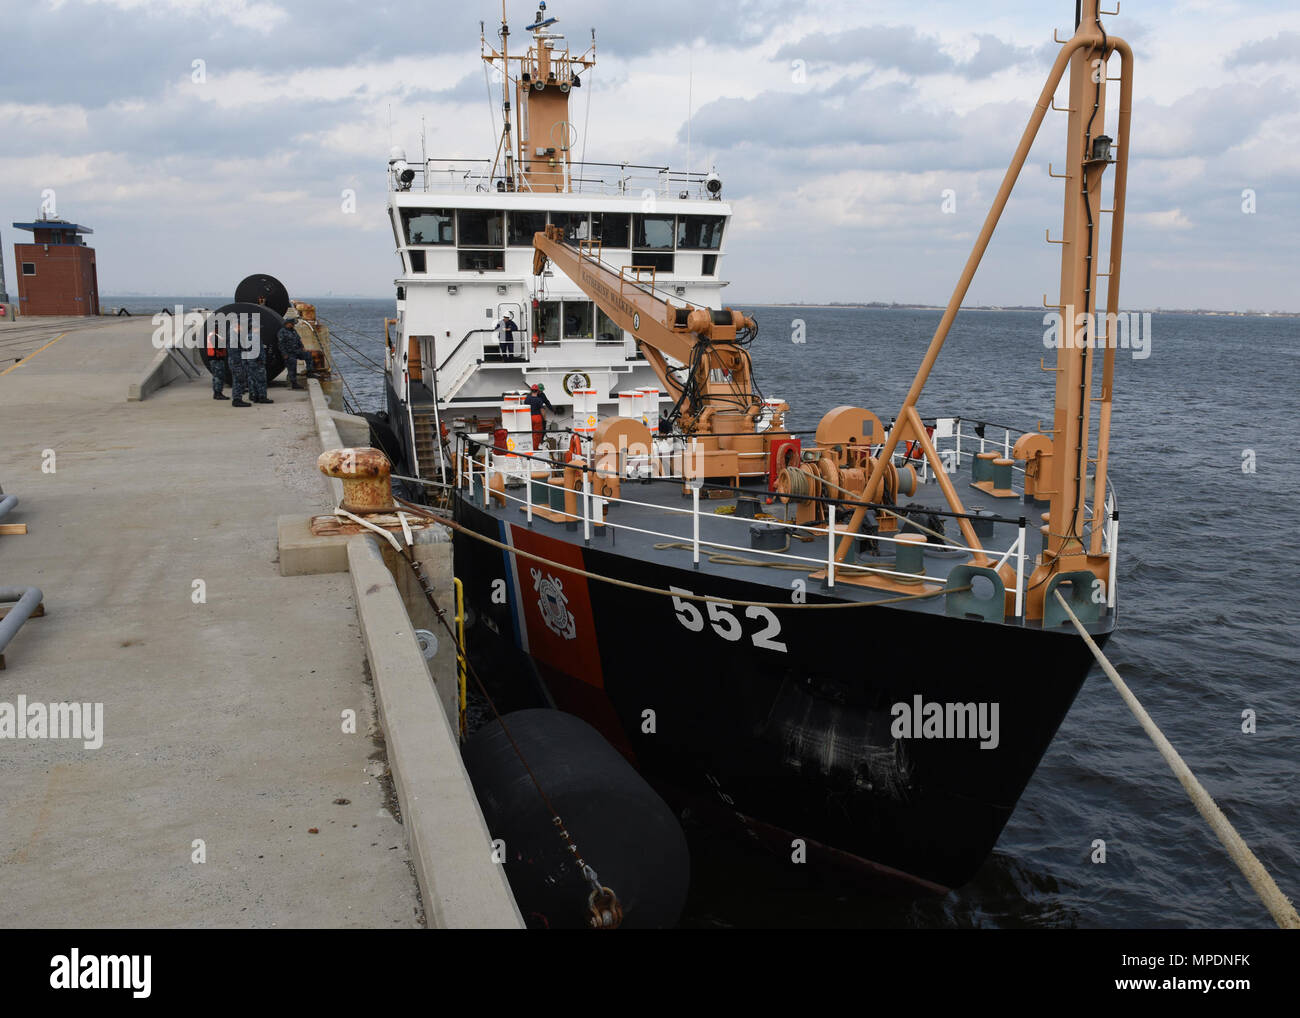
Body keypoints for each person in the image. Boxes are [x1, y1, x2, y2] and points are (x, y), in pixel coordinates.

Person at [277, 310, 311, 390]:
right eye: (292, 324)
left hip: (297, 351)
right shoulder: (282, 332)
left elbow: (298, 340)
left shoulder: (293, 331)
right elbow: (280, 344)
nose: (293, 325)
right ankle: (294, 383)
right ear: (288, 324)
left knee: (308, 355)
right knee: (292, 366)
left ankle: (309, 372)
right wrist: (284, 354)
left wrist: (302, 347)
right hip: (289, 353)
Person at [523, 382, 554, 447]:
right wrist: (544, 418)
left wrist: (553, 410)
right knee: (536, 433)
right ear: (537, 390)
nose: (541, 392)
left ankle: (538, 443)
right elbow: (542, 410)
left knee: (539, 431)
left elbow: (547, 402)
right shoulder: (538, 399)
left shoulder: (528, 398)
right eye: (540, 391)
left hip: (531, 416)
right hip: (537, 417)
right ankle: (535, 446)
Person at [205, 326, 228, 400]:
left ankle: (216, 393)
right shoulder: (214, 336)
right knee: (219, 377)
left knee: (216, 377)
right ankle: (218, 394)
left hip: (214, 358)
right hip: (216, 359)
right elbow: (219, 347)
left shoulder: (212, 335)